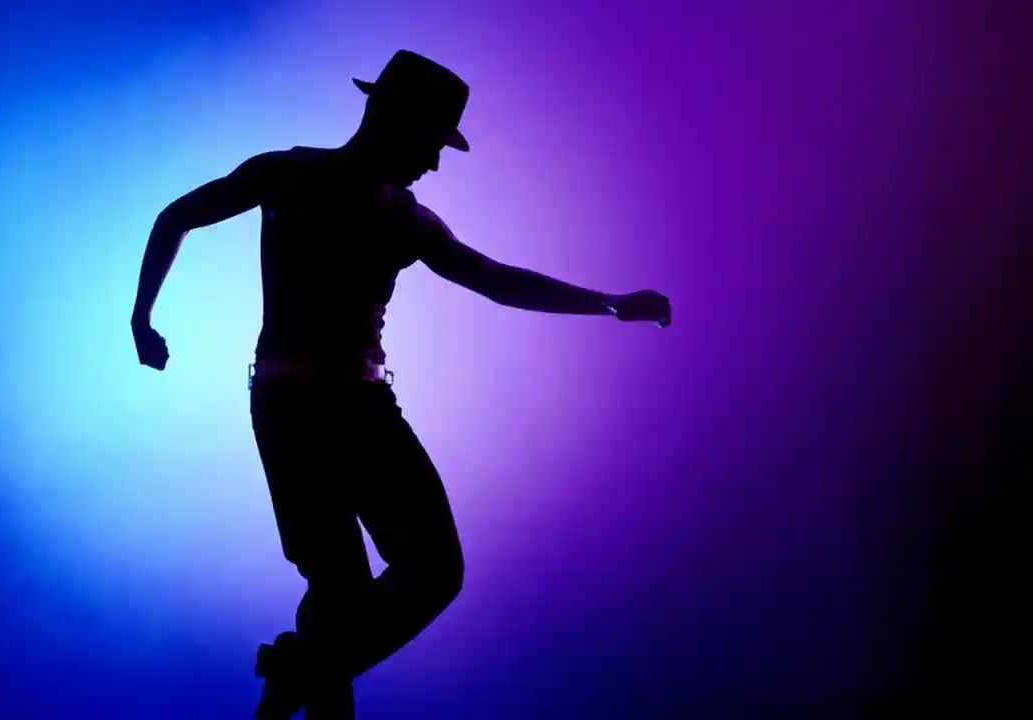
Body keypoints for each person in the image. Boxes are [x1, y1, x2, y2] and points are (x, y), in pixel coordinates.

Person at [131, 49, 671, 720]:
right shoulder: (290, 174)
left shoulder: (406, 220)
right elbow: (177, 215)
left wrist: (609, 303)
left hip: (363, 408)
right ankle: (305, 674)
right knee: (341, 586)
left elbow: (497, 280)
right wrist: (140, 317)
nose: (435, 163)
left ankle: (301, 670)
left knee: (424, 575)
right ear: (391, 118)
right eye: (430, 141)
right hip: (295, 408)